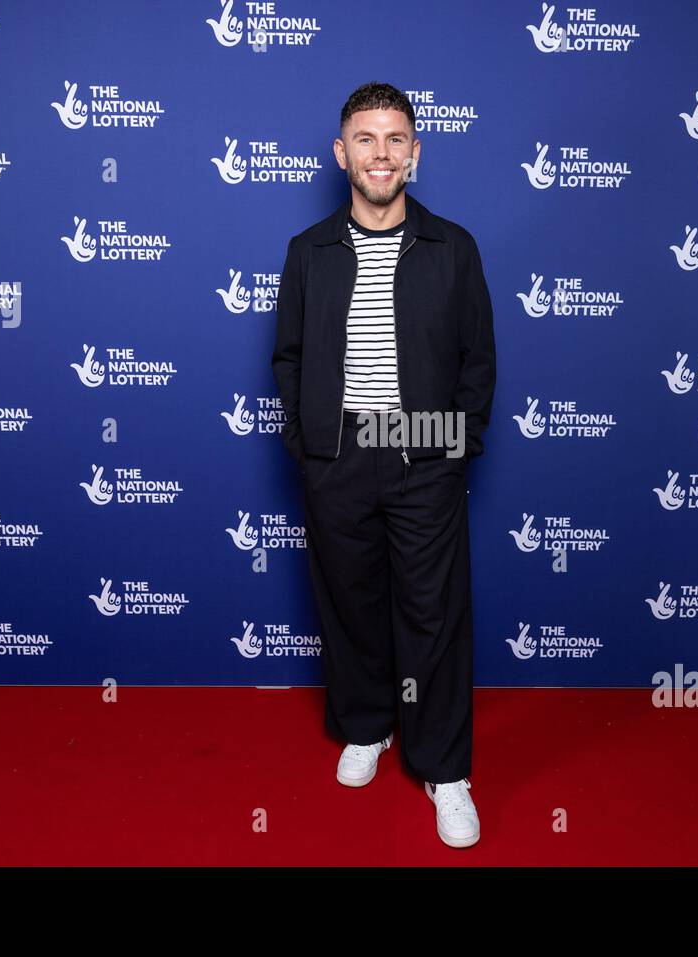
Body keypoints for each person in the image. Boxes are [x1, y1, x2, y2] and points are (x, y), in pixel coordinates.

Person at [271, 82, 496, 848]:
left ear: (416, 154)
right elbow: (289, 359)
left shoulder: (452, 248)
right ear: (342, 154)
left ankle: (444, 769)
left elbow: (477, 361)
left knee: (434, 615)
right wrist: (313, 448)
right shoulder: (308, 253)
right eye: (365, 139)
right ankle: (366, 724)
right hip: (339, 456)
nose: (381, 153)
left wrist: (450, 447)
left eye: (395, 138)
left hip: (423, 452)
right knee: (350, 601)